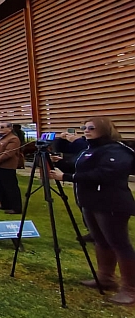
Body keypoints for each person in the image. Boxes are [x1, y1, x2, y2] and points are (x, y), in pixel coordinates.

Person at [49, 117, 135, 304]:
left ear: (104, 129)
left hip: (111, 204)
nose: (86, 131)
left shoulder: (117, 150)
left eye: (91, 128)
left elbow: (106, 173)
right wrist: (62, 163)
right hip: (91, 203)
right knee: (101, 241)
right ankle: (106, 278)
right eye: (84, 128)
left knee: (119, 243)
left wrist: (67, 176)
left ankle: (130, 289)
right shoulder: (90, 149)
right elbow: (81, 166)